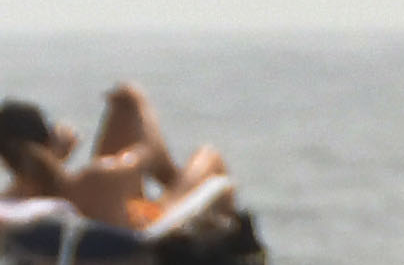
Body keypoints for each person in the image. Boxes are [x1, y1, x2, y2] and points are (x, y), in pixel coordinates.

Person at [0, 85, 232, 233]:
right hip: (150, 232)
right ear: (48, 140)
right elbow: (150, 151)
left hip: (77, 259)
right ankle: (176, 183)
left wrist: (54, 156)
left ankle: (175, 180)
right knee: (209, 157)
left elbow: (41, 180)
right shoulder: (101, 176)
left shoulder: (13, 205)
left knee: (123, 109)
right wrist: (141, 103)